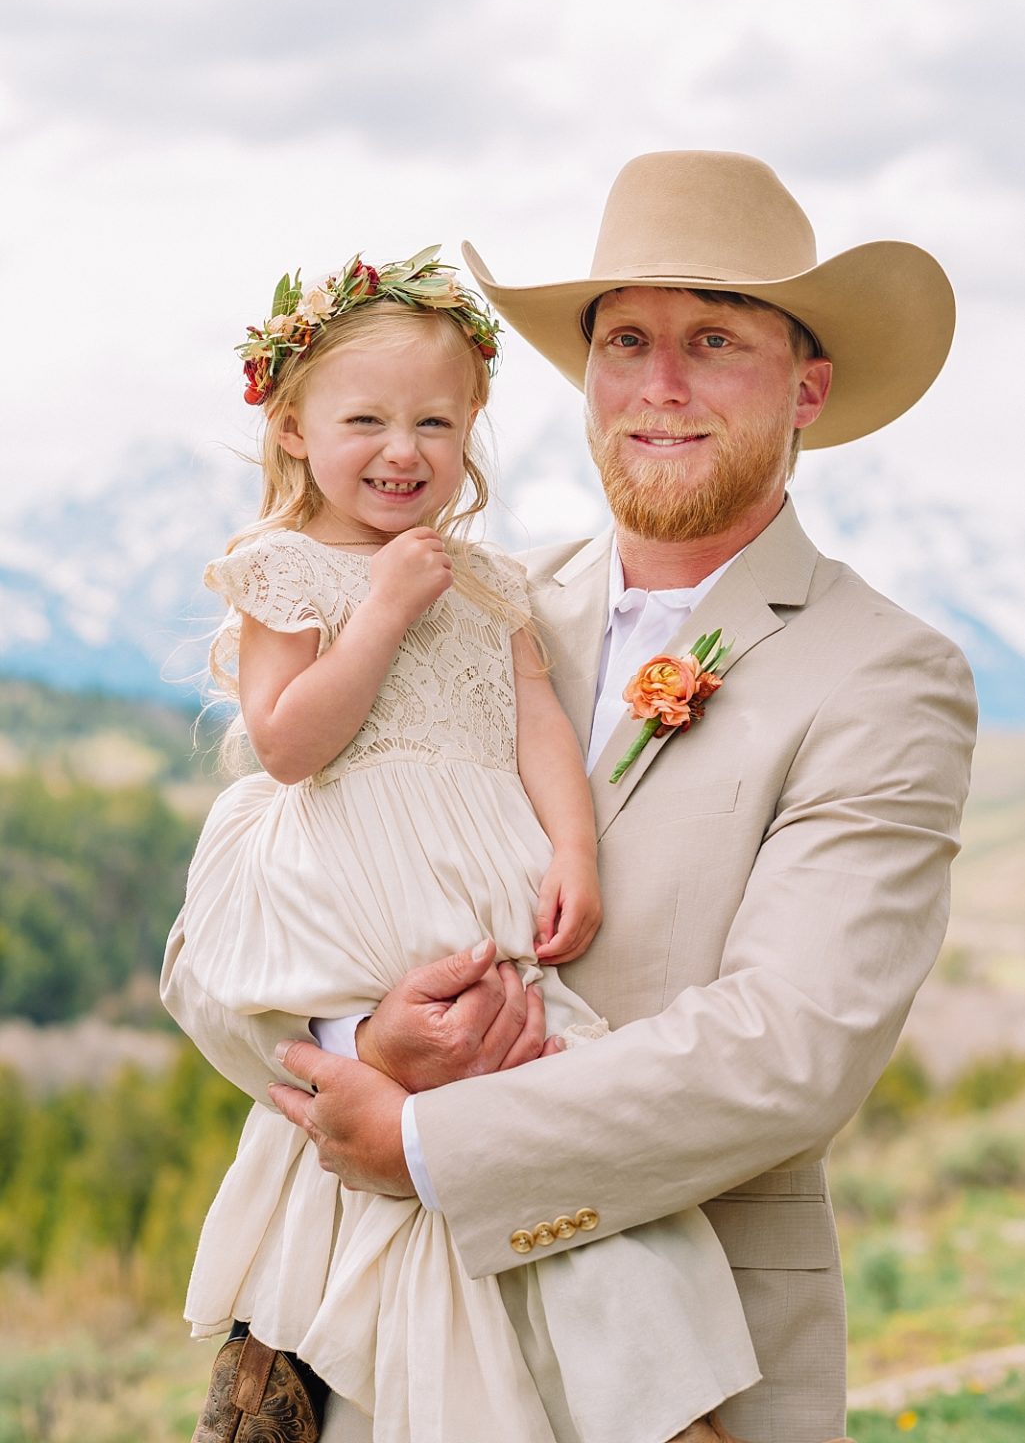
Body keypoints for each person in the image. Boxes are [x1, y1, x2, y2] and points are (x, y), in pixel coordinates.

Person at [164, 151, 975, 1443]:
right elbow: (220, 940)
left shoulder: (883, 675)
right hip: (376, 1359)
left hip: (682, 1374)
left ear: (807, 387)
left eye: (713, 340)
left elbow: (786, 1052)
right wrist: (365, 1052)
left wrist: (433, 1135)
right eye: (627, 341)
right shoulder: (459, 600)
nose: (659, 385)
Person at [163, 246, 770, 1443]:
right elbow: (286, 743)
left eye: (435, 422)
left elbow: (534, 719)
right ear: (290, 429)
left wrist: (574, 852)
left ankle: (647, 1404)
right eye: (366, 420)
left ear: (473, 428)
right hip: (363, 894)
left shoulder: (489, 582)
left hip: (481, 900)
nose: (404, 451)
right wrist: (382, 609)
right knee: (424, 1182)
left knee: (545, 1132)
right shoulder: (285, 574)